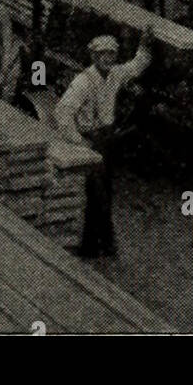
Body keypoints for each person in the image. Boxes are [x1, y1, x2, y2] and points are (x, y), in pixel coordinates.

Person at [55, 28, 154, 258]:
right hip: (90, 139)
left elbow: (137, 65)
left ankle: (98, 244)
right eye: (103, 55)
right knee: (96, 192)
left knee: (104, 190)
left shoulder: (115, 75)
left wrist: (145, 45)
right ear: (94, 57)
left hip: (106, 138)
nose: (108, 58)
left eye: (111, 54)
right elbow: (62, 113)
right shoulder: (83, 82)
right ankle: (97, 246)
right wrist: (79, 141)